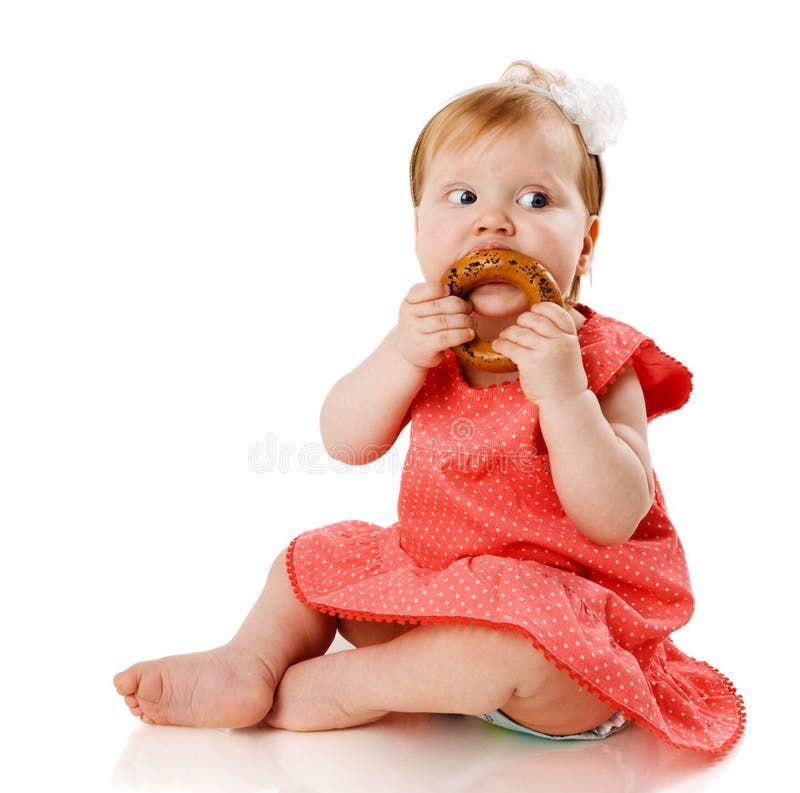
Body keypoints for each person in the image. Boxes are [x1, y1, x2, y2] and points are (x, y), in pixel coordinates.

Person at [114, 61, 745, 753]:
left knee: (515, 646)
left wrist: (563, 395)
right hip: (438, 596)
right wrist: (398, 356)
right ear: (419, 229)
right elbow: (345, 441)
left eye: (535, 200)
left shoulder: (599, 357)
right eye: (463, 196)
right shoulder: (427, 343)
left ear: (586, 243)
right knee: (318, 552)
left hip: (565, 641)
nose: (494, 222)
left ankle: (351, 685)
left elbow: (613, 512)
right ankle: (248, 660)